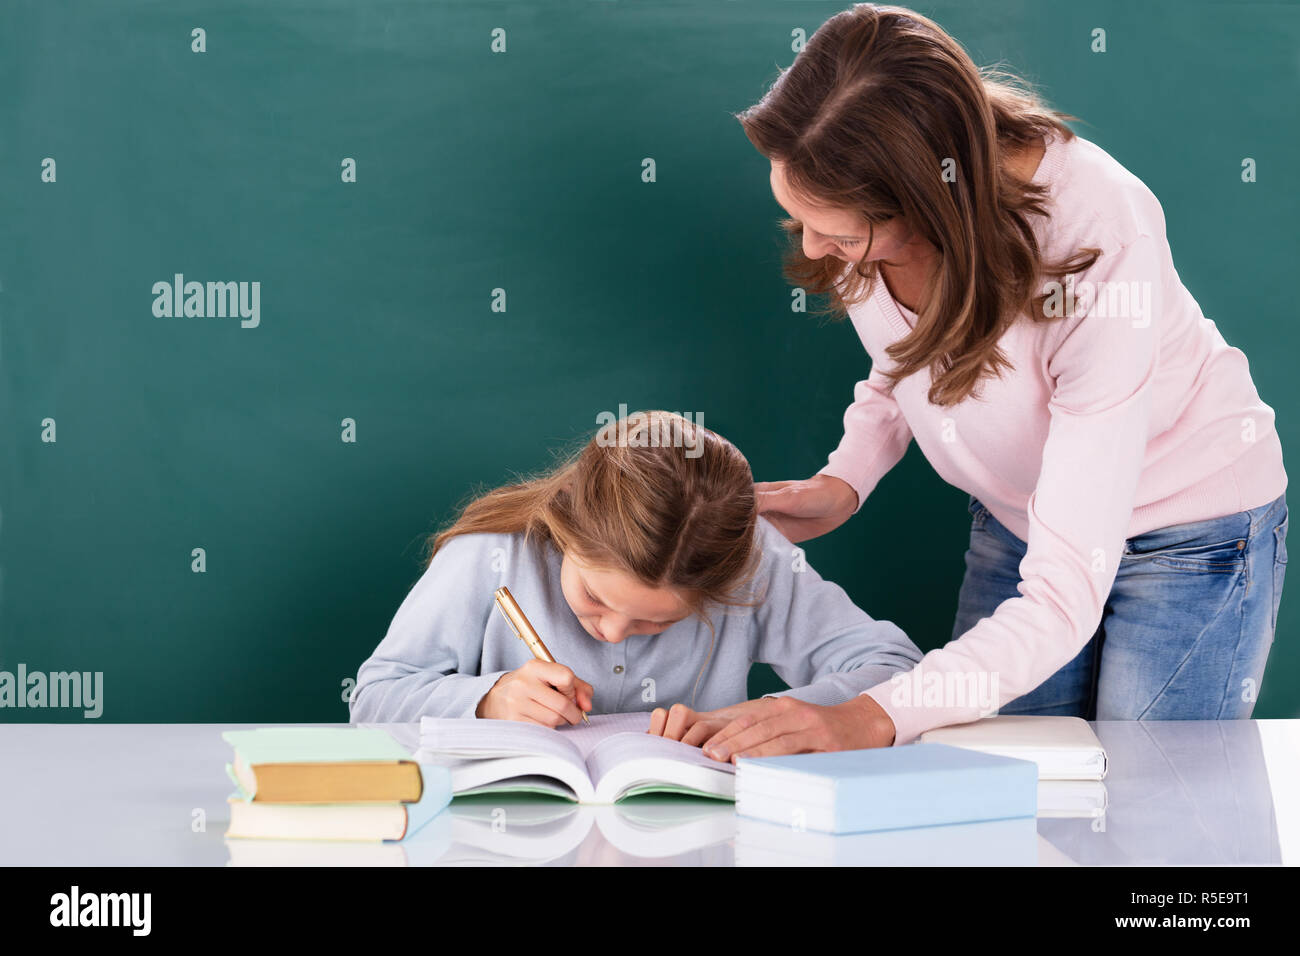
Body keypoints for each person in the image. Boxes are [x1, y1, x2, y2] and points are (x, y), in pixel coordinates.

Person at [686, 4, 1287, 762]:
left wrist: (865, 719)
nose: (814, 250)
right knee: (1007, 789)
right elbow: (904, 352)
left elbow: (1063, 599)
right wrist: (846, 479)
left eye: (839, 235)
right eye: (800, 218)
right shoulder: (863, 205)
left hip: (1187, 533)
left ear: (930, 204)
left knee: (1151, 802)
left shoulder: (1098, 235)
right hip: (1019, 518)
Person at [348, 410, 921, 733]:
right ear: (566, 523)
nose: (613, 632)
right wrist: (488, 699)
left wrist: (781, 715)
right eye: (594, 597)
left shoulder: (756, 559)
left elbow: (896, 668)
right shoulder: (491, 555)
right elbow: (374, 698)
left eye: (655, 623)